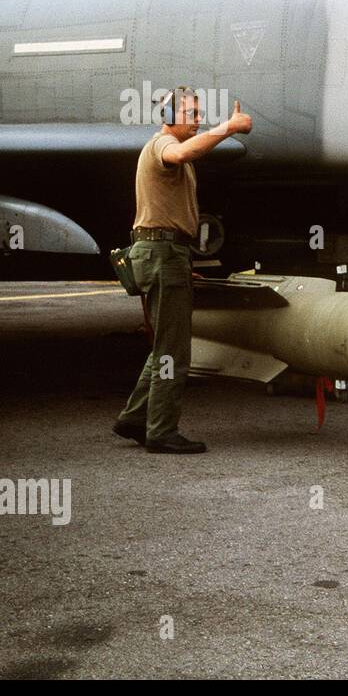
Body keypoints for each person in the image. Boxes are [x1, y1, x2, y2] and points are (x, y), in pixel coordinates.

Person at [113, 88, 251, 454]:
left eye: (198, 112)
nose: (197, 119)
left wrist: (180, 261)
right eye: (191, 113)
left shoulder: (175, 157)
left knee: (164, 347)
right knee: (174, 352)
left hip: (167, 254)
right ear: (170, 115)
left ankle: (134, 418)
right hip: (162, 254)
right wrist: (230, 128)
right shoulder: (162, 146)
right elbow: (184, 150)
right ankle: (161, 431)